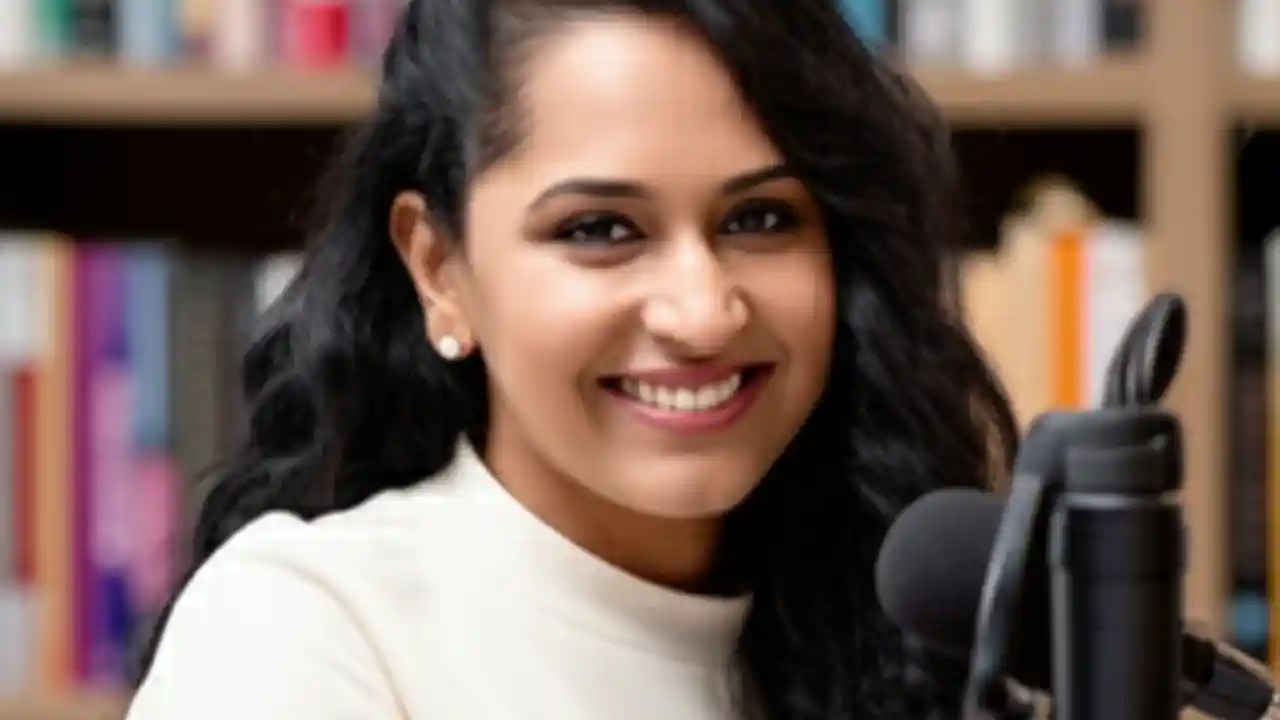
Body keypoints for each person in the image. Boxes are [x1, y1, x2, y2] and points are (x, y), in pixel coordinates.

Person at [126, 0, 1016, 718]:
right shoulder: (308, 626)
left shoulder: (908, 641)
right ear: (441, 272)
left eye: (759, 219)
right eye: (599, 231)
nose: (702, 313)